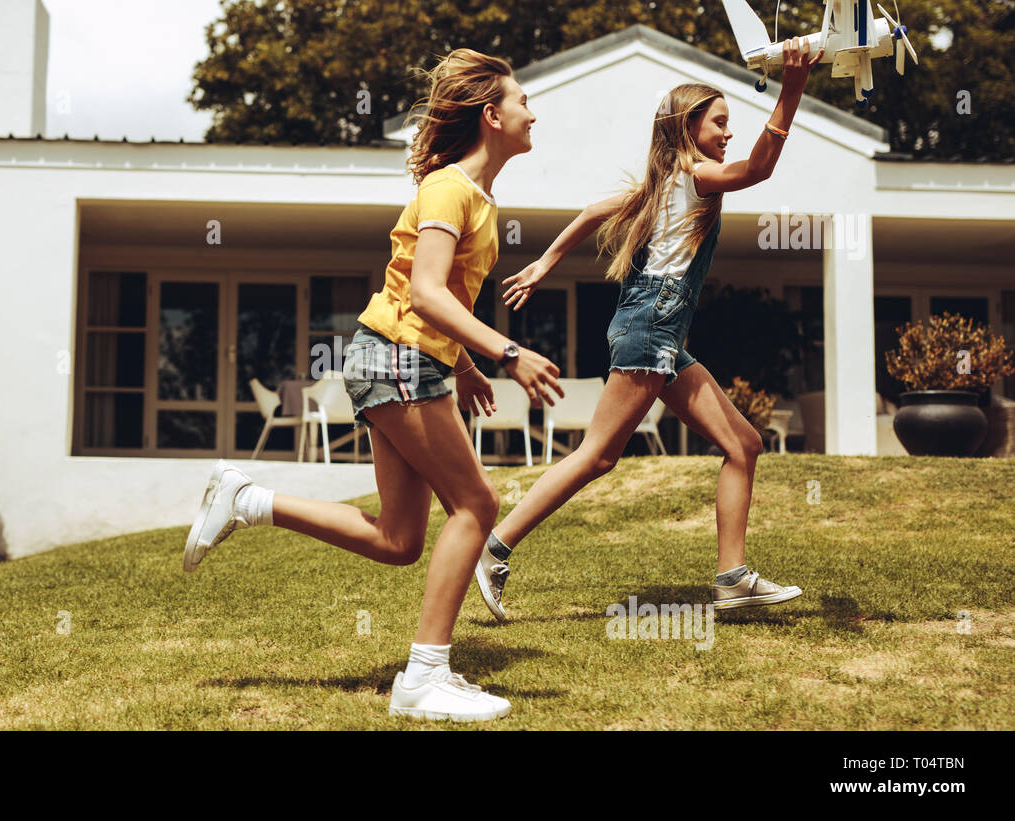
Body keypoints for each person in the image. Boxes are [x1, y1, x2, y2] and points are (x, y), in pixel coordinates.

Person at [182, 48, 562, 721]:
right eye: (522, 100)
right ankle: (423, 677)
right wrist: (506, 353)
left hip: (400, 358)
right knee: (476, 502)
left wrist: (466, 365)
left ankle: (250, 498)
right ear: (491, 114)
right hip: (395, 358)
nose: (533, 112)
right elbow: (424, 291)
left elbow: (445, 292)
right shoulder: (449, 188)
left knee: (399, 539)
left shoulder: (476, 196)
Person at [473, 38, 825, 622]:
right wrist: (791, 90)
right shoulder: (691, 175)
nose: (727, 134)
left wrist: (544, 263)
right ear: (689, 129)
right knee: (596, 455)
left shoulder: (664, 182)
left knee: (743, 444)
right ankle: (494, 548)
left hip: (661, 335)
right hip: (649, 328)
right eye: (719, 123)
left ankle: (733, 579)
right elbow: (757, 169)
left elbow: (590, 213)